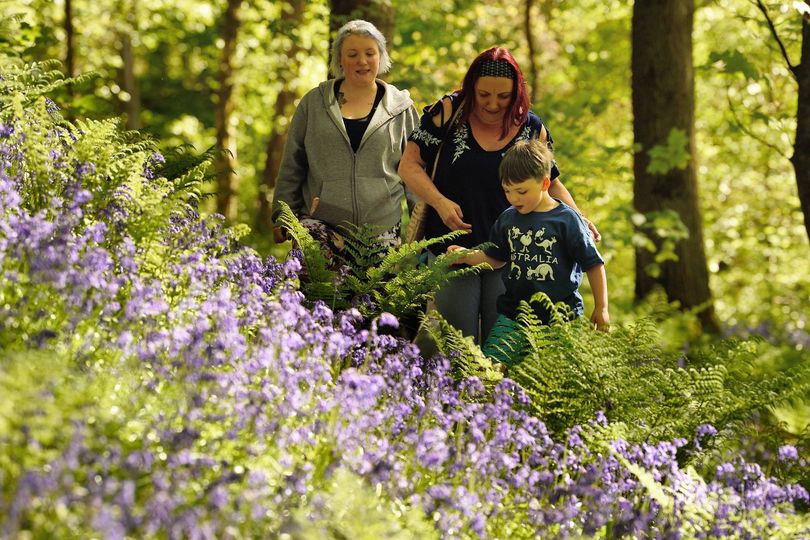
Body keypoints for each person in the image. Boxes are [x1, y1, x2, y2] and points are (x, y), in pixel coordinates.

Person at [398, 46, 600, 344]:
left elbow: (550, 182)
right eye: (484, 95)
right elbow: (409, 166)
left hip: (511, 252)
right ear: (471, 88)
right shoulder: (448, 113)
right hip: (453, 246)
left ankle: (494, 392)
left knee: (501, 338)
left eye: (503, 97)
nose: (492, 104)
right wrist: (440, 202)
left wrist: (578, 218)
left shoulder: (532, 127)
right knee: (454, 336)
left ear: (516, 93)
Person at [448, 139, 609, 364]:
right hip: (513, 315)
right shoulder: (507, 218)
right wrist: (466, 255)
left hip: (560, 319)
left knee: (552, 381)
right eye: (507, 191)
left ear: (544, 183)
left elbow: (594, 263)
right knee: (489, 370)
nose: (514, 199)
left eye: (522, 191)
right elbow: (495, 259)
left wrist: (601, 307)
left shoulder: (567, 220)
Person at [272, 19, 418, 263]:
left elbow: (415, 173)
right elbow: (292, 165)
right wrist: (282, 215)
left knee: (372, 301)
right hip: (319, 225)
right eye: (353, 54)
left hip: (381, 229)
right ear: (339, 59)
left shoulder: (401, 109)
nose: (362, 61)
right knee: (321, 300)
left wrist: (421, 231)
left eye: (369, 53)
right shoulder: (314, 104)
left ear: (380, 57)